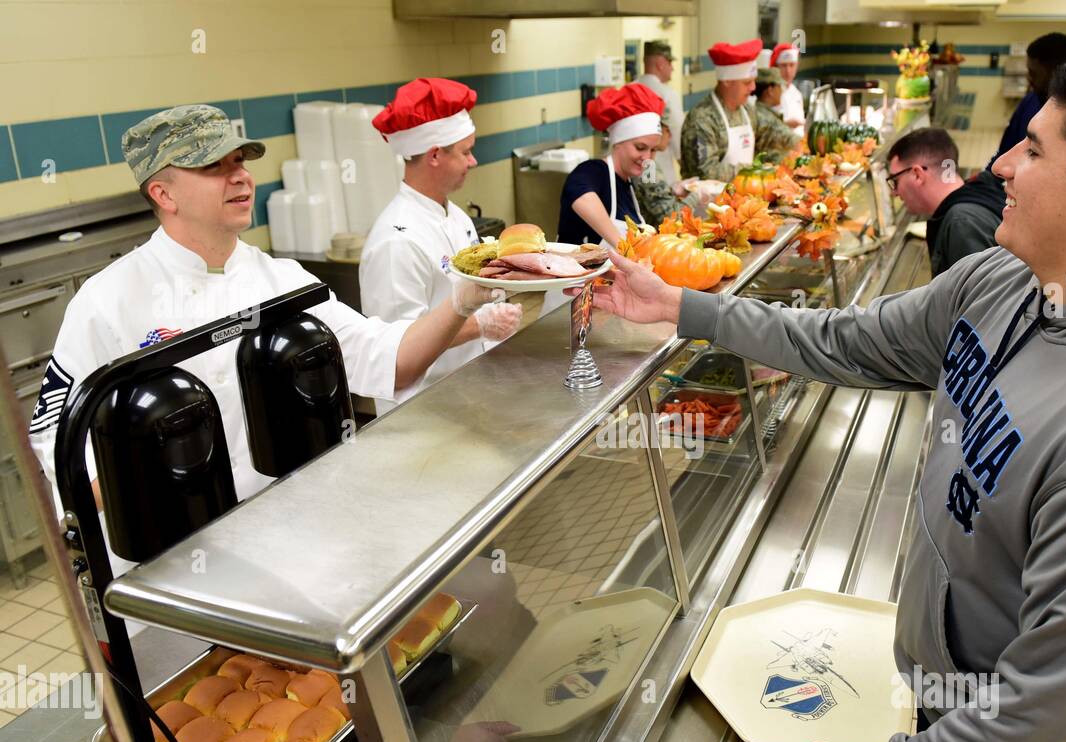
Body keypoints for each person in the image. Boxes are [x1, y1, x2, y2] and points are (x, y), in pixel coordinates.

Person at [581, 53, 1066, 742]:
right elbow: (853, 340)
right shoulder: (1008, 277)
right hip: (943, 684)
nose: (1000, 165)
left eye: (1033, 150)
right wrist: (686, 307)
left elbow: (1049, 699)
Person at [29, 105, 493, 532]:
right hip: (167, 548)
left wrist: (461, 302)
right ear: (163, 193)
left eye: (241, 163)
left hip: (284, 529)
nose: (242, 179)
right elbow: (56, 438)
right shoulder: (106, 302)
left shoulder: (283, 284)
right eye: (215, 167)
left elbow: (389, 358)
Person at [361, 78, 522, 413]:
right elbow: (399, 349)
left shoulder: (457, 217)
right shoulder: (396, 241)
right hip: (423, 412)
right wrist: (481, 324)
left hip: (467, 395)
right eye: (465, 152)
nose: (473, 161)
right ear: (435, 155)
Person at [557, 83, 666, 247]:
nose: (648, 157)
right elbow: (580, 195)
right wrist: (625, 249)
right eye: (640, 147)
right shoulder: (592, 171)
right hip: (580, 271)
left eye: (653, 150)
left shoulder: (629, 182)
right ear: (617, 143)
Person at [886, 128, 1004, 276]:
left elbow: (977, 296)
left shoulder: (962, 223)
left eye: (894, 181)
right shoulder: (978, 192)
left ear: (917, 175)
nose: (894, 192)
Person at [989, 32, 1066, 169]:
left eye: (1034, 73)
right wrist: (987, 176)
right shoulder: (1030, 101)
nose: (1029, 79)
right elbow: (1005, 149)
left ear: (1055, 71)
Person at [679, 38, 761, 182]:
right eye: (747, 82)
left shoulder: (747, 110)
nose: (753, 87)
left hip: (744, 199)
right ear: (727, 81)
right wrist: (753, 170)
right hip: (710, 203)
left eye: (754, 81)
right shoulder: (702, 118)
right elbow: (705, 173)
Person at [634, 40, 684, 188]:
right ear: (661, 63)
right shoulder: (667, 94)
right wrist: (685, 166)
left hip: (632, 171)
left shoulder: (629, 89)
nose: (672, 68)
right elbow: (678, 134)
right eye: (670, 62)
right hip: (659, 169)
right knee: (660, 206)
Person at [753, 67, 800, 156]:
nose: (782, 91)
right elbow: (794, 143)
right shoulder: (765, 117)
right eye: (779, 87)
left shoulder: (758, 111)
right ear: (770, 90)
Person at [772, 42, 806, 136]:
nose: (788, 71)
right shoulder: (770, 93)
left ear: (797, 66)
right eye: (783, 66)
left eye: (791, 65)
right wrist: (786, 124)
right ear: (776, 67)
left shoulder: (797, 94)